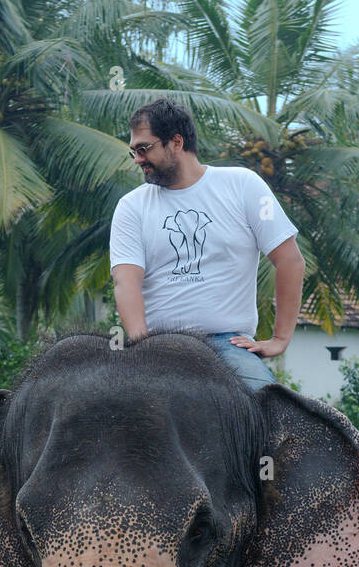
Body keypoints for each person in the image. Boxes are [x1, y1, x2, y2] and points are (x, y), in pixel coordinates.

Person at [110, 96, 305, 389]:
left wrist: (280, 339)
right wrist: (143, 347)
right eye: (133, 151)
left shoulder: (243, 185)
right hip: (160, 347)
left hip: (228, 347)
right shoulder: (131, 207)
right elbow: (126, 282)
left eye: (144, 149)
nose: (137, 159)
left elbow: (289, 260)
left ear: (176, 142)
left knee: (272, 417)